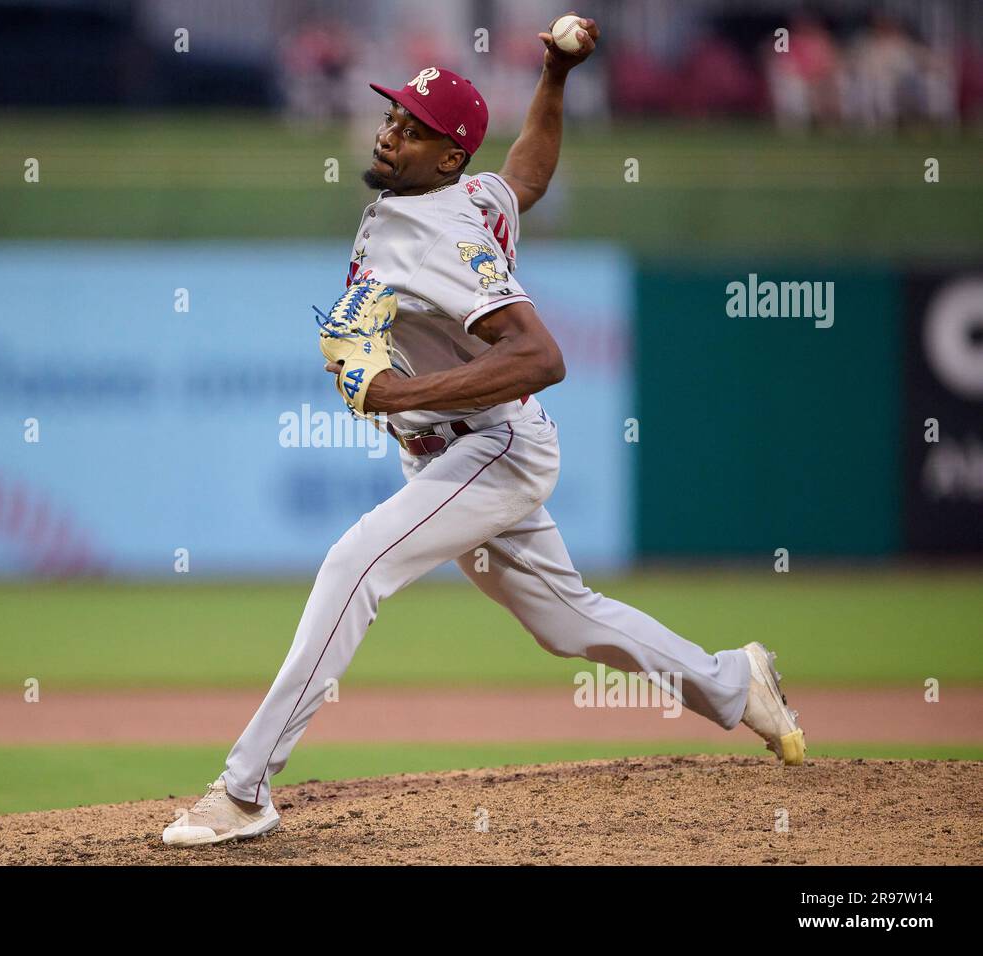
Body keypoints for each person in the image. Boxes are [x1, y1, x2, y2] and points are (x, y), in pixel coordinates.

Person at [163, 16, 805, 848]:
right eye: (393, 117)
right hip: (467, 443)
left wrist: (402, 393)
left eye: (414, 131)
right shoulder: (466, 194)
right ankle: (734, 682)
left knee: (355, 563)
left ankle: (244, 791)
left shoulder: (442, 231)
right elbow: (526, 175)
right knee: (566, 621)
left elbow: (542, 355)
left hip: (488, 445)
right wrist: (556, 75)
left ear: (448, 156)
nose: (391, 134)